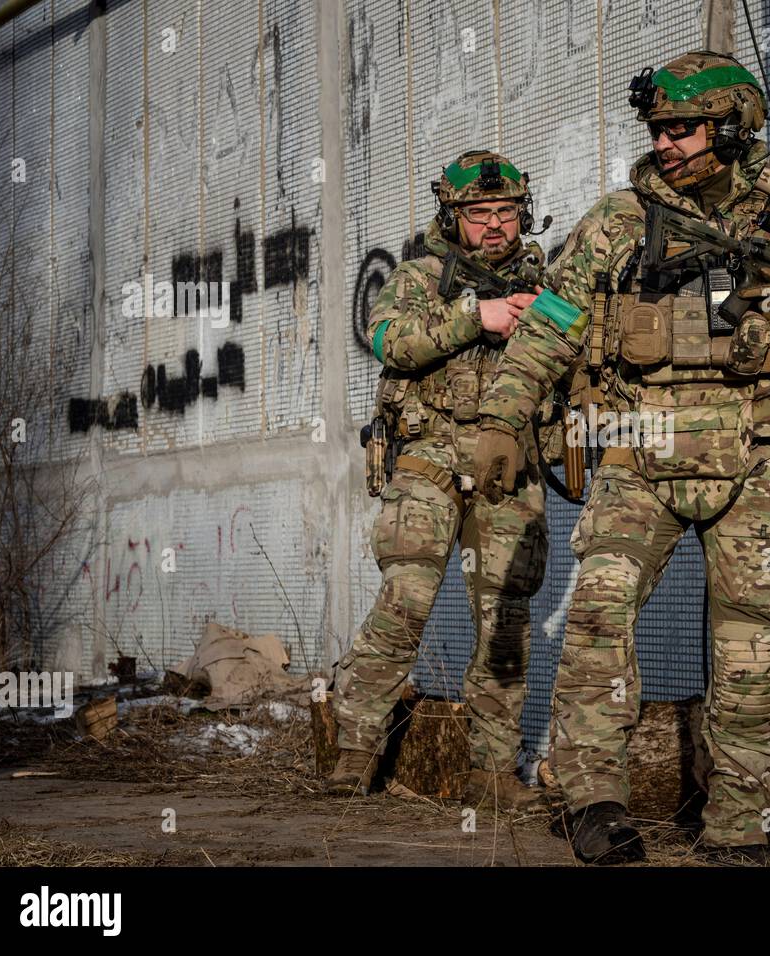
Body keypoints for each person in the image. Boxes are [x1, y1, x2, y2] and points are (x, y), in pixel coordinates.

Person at [472, 51, 770, 863]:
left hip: (758, 448)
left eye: (682, 128)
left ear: (732, 126)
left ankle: (738, 824)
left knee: (751, 638)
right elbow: (549, 326)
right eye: (657, 129)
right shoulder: (615, 224)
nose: (666, 143)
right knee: (596, 617)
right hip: (637, 446)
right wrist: (503, 419)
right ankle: (592, 803)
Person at [329, 150, 552, 813]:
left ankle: (492, 772)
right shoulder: (419, 276)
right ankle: (355, 750)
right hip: (427, 460)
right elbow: (387, 340)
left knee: (506, 623)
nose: (493, 226)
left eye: (505, 213)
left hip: (507, 467)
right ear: (451, 216)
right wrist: (474, 318)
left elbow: (582, 357)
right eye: (478, 214)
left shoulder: (548, 281)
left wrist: (548, 324)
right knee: (404, 607)